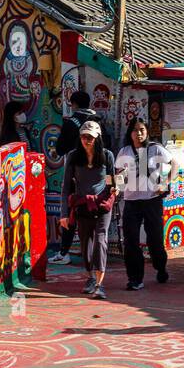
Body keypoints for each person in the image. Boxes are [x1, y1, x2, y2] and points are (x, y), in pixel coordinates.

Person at [116, 117, 175, 290]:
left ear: (147, 131)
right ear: (130, 133)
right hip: (131, 202)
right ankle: (135, 278)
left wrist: (165, 182)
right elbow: (119, 176)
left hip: (152, 201)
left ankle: (160, 266)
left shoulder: (155, 149)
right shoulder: (124, 152)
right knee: (131, 240)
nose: (139, 133)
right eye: (135, 130)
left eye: (142, 129)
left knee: (155, 240)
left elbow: (175, 164)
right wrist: (118, 184)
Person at [59, 121, 115, 300]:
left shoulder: (107, 156)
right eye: (83, 136)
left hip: (102, 205)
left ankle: (100, 283)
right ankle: (90, 276)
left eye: (90, 137)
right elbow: (66, 186)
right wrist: (64, 214)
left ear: (97, 137)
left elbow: (113, 180)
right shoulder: (74, 157)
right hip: (82, 205)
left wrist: (116, 189)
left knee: (100, 241)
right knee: (86, 244)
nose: (86, 140)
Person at [49, 90, 105, 264]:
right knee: (97, 217)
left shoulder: (71, 122)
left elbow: (60, 148)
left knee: (72, 211)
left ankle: (64, 252)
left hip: (76, 174)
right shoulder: (98, 121)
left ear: (73, 104)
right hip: (98, 177)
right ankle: (96, 255)